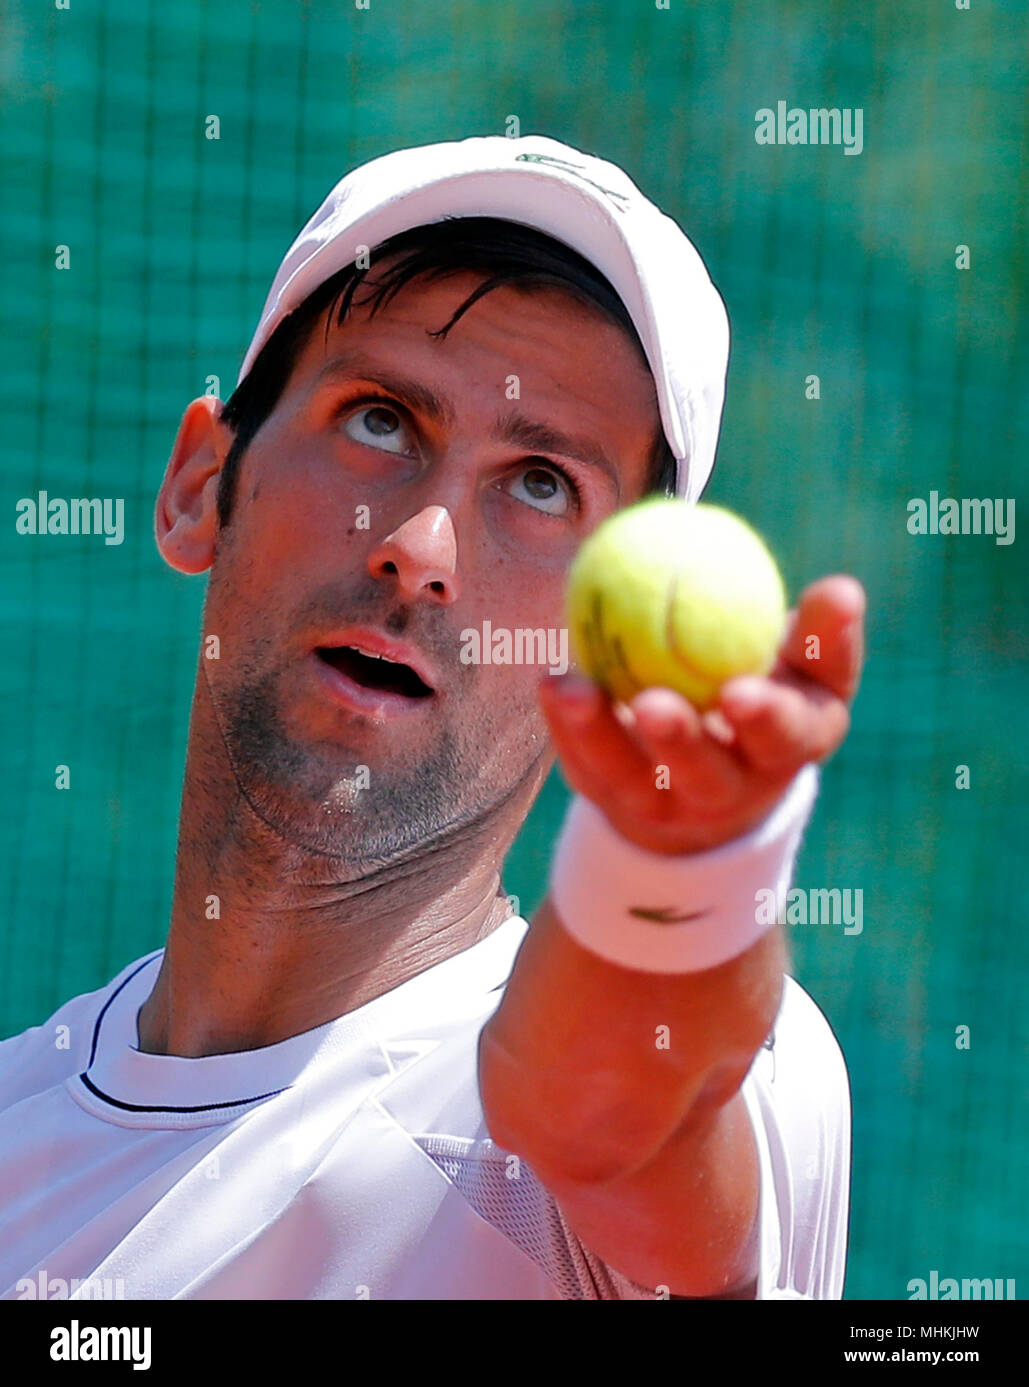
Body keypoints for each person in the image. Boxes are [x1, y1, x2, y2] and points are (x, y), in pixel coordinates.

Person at [0, 134, 864, 1300]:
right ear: (203, 484)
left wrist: (675, 873)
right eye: (380, 420)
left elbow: (604, 1118)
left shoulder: (722, 1050)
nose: (421, 554)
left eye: (542, 483)